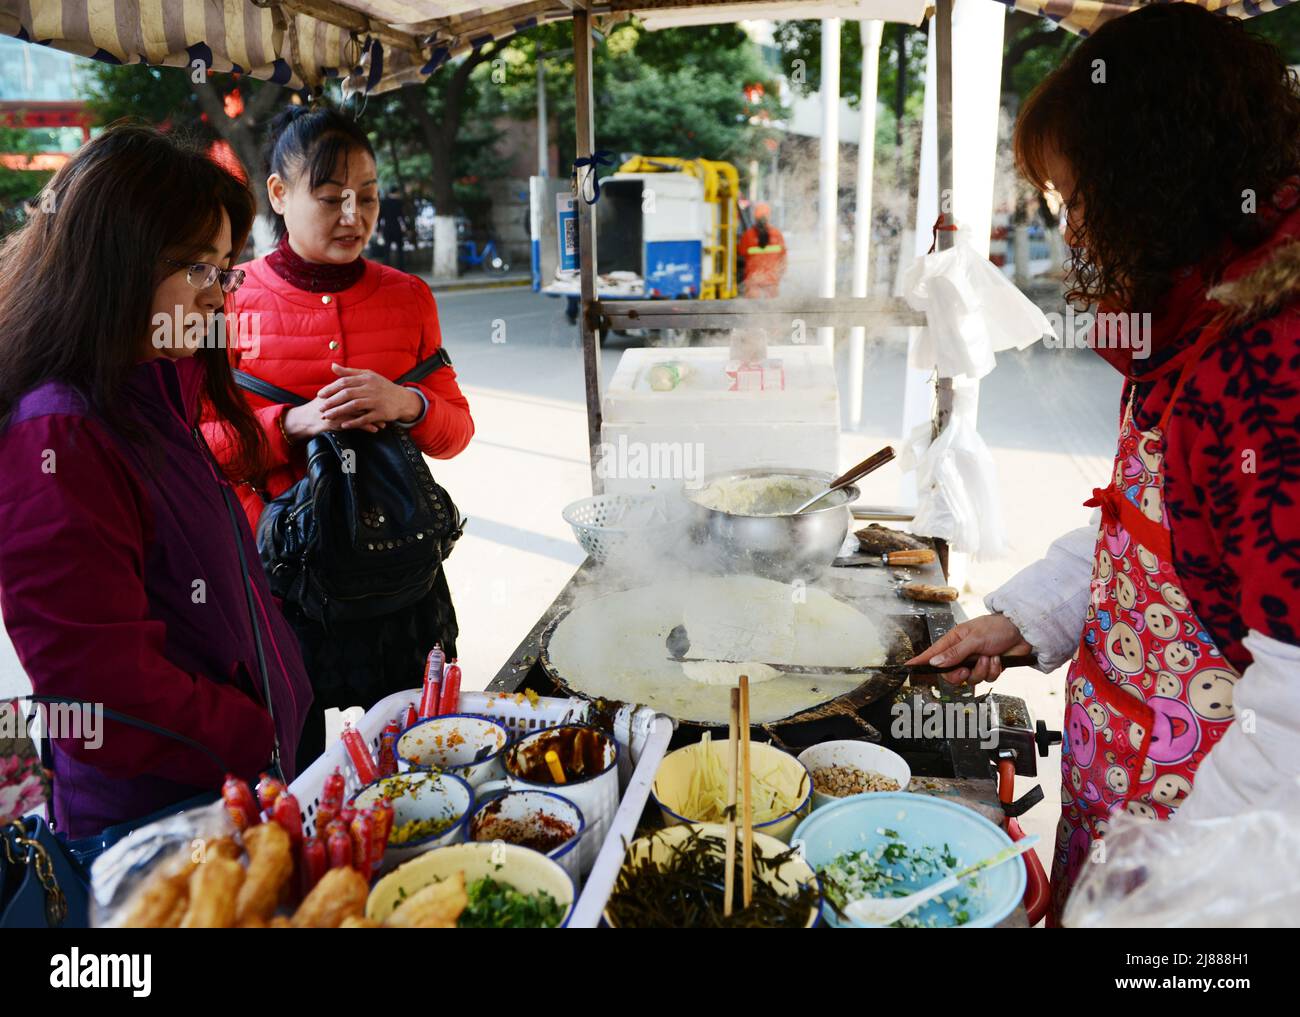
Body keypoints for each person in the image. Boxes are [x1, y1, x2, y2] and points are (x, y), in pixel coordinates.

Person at [906, 4, 1300, 925]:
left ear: (1154, 177)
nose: (1072, 234)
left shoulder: (1271, 363)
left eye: (1076, 199)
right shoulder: (1191, 324)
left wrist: (1162, 898)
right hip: (1127, 803)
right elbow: (1144, 520)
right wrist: (1025, 614)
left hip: (1210, 866)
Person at [0, 125, 312, 840]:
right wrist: (249, 728)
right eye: (198, 267)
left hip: (232, 791)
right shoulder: (59, 435)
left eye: (227, 268)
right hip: (157, 829)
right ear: (118, 262)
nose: (219, 295)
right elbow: (100, 692)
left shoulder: (156, 388)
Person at [203, 105, 474, 773]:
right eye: (329, 198)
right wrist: (291, 424)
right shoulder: (229, 302)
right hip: (282, 593)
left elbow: (456, 431)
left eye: (368, 196)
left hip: (400, 582)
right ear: (277, 195)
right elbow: (199, 445)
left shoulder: (409, 297)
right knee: (295, 779)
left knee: (417, 766)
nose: (353, 215)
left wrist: (406, 401)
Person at [737, 202, 787, 298]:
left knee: (751, 310)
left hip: (753, 282)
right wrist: (779, 275)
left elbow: (741, 253)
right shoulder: (777, 234)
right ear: (769, 216)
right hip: (771, 282)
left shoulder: (748, 235)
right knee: (772, 310)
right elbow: (783, 260)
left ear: (755, 217)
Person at [377, 185, 407, 270]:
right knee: (400, 250)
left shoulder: (384, 202)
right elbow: (402, 216)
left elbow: (380, 217)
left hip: (387, 228)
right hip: (397, 228)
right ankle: (401, 269)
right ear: (396, 192)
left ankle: (386, 269)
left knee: (387, 250)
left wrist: (379, 229)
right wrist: (405, 227)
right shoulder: (399, 202)